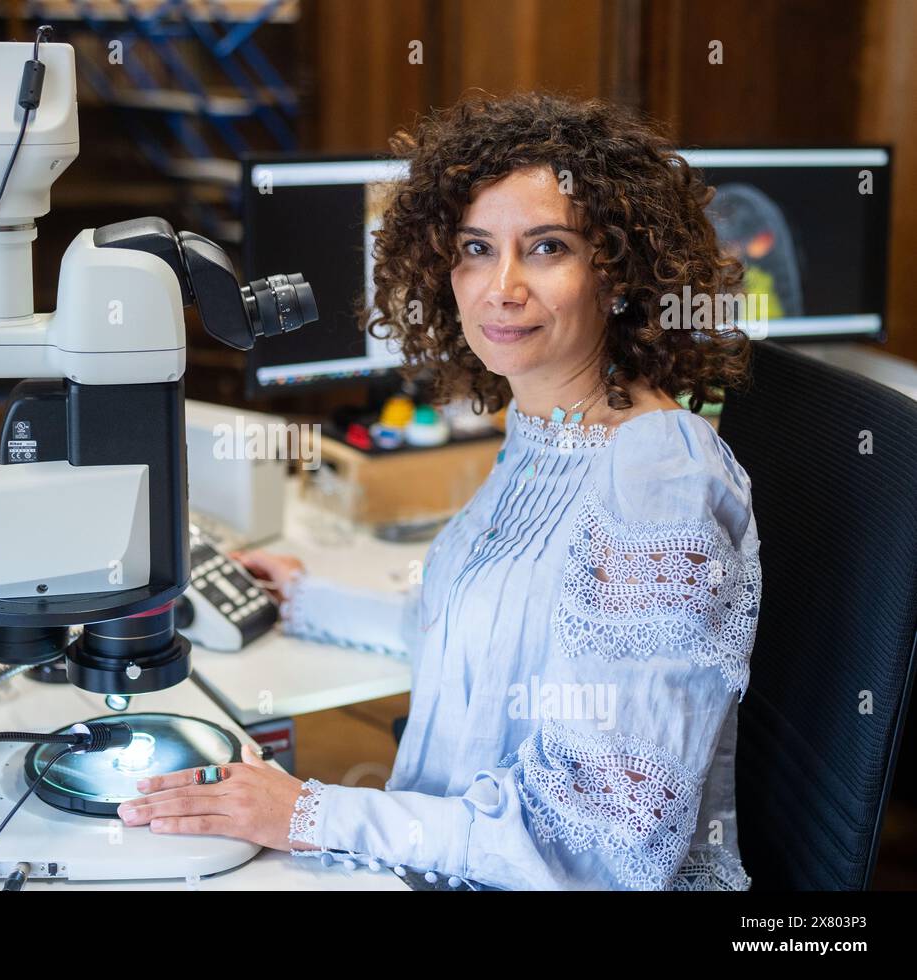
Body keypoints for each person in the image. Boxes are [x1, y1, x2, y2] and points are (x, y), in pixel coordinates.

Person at [118, 92, 760, 890]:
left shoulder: (658, 477)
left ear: (618, 270)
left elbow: (596, 847)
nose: (501, 287)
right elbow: (501, 654)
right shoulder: (545, 429)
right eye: (476, 249)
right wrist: (306, 601)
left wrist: (308, 812)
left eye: (548, 247)